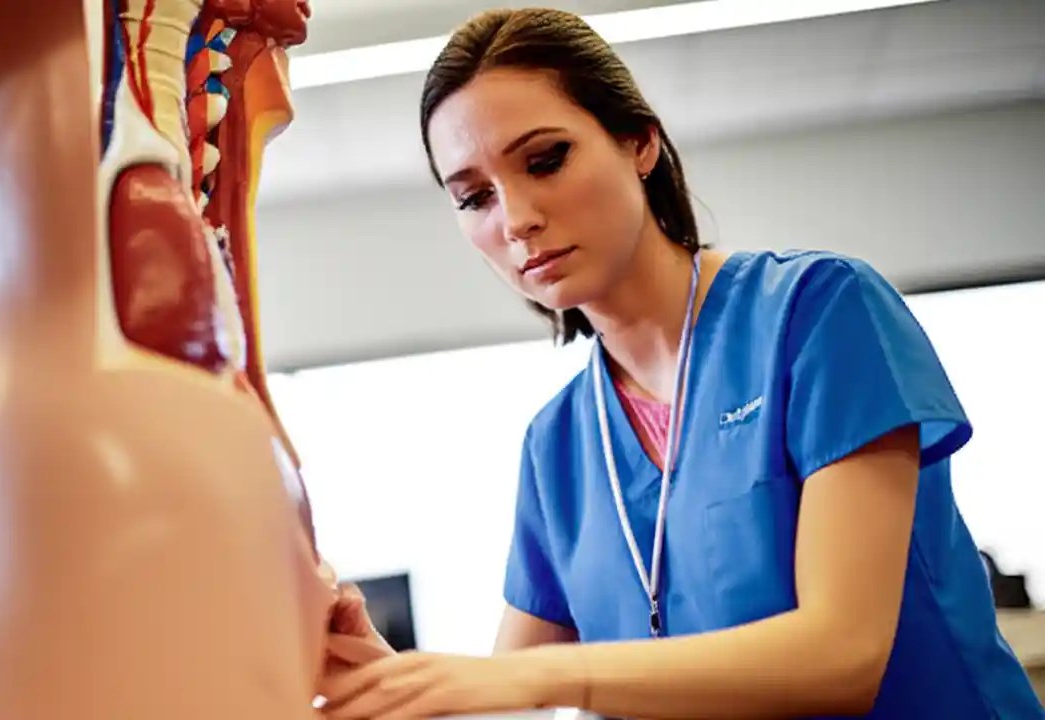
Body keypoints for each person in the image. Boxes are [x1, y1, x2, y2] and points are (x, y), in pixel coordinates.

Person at [316, 7, 1045, 719]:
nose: (516, 219)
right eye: (474, 197)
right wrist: (388, 678)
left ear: (640, 143)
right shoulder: (559, 446)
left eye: (546, 160)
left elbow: (843, 656)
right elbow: (504, 692)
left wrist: (541, 678)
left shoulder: (817, 313)